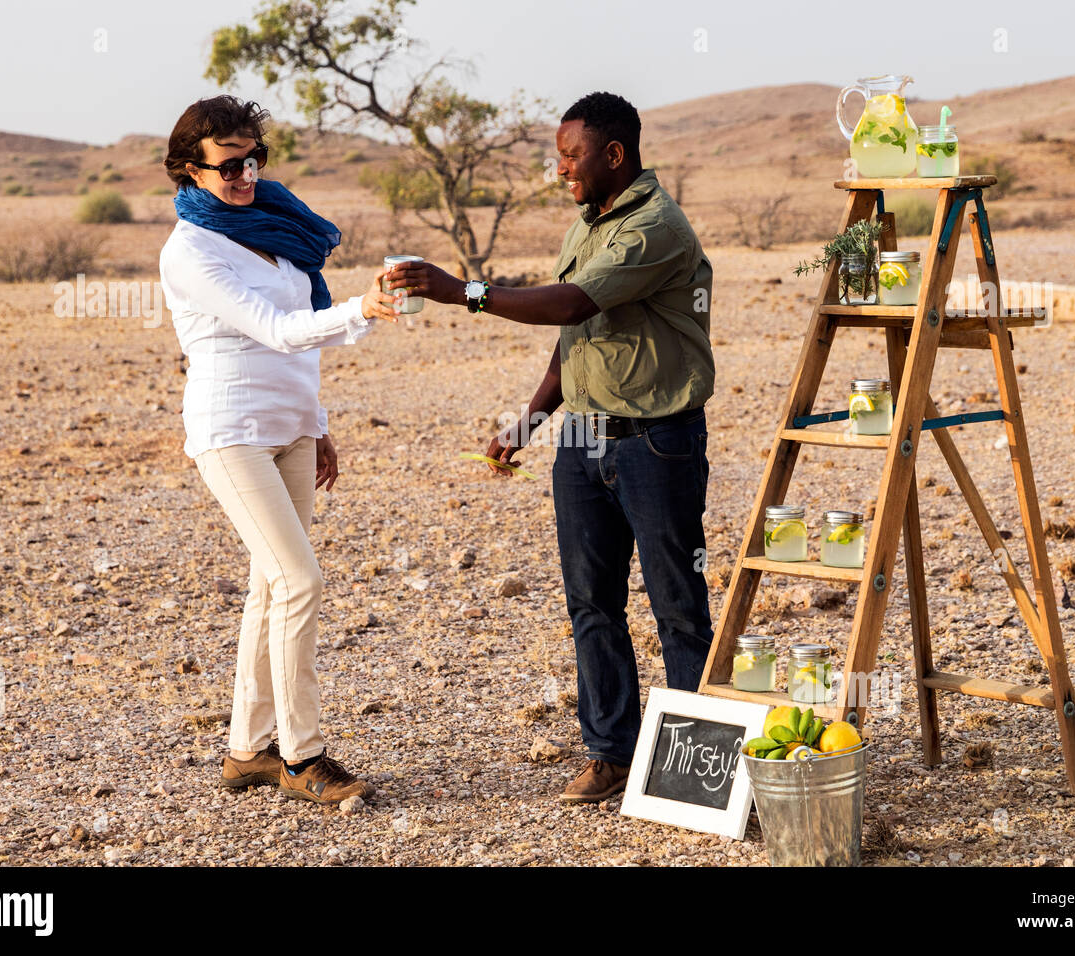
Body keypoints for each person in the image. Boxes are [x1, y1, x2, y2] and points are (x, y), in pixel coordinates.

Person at [386, 91, 716, 803]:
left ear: (614, 154)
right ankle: (612, 754)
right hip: (584, 441)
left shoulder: (654, 227)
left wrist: (462, 291)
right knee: (591, 604)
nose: (560, 167)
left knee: (678, 606)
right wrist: (530, 423)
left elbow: (570, 305)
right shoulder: (588, 224)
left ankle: (697, 771)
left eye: (571, 155)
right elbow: (576, 340)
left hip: (657, 442)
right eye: (559, 154)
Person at [158, 95, 399, 805]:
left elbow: (304, 331)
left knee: (271, 587)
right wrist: (361, 307)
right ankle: (303, 756)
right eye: (228, 164)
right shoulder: (192, 250)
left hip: (291, 426)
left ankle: (246, 749)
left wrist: (317, 422)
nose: (245, 175)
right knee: (300, 582)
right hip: (231, 431)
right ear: (189, 170)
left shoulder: (274, 226)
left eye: (253, 159)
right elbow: (275, 328)